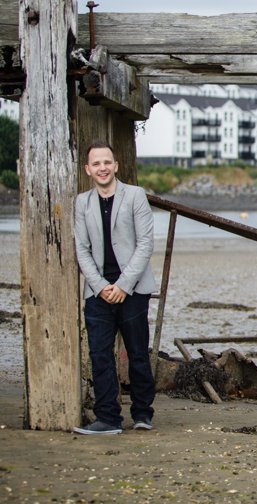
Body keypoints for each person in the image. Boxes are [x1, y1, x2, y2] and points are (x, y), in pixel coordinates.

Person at [73, 140, 157, 435]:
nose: (102, 168)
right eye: (96, 164)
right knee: (100, 354)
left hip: (133, 288)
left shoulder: (135, 196)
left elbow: (146, 244)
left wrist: (123, 285)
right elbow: (81, 250)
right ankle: (108, 418)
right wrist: (101, 286)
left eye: (107, 162)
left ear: (116, 165)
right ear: (88, 170)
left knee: (136, 352)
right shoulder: (81, 203)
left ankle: (143, 413)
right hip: (98, 291)